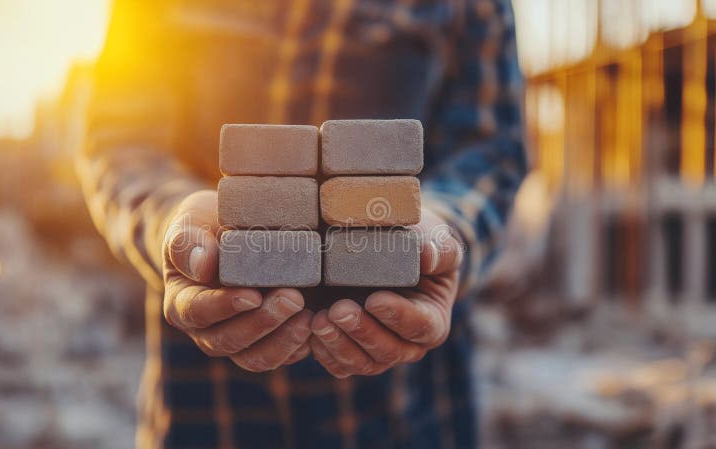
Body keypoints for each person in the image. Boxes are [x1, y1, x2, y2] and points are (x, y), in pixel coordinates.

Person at [77, 0, 527, 447]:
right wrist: (173, 224)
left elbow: (490, 149)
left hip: (405, 411)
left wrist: (439, 234)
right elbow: (122, 138)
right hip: (203, 403)